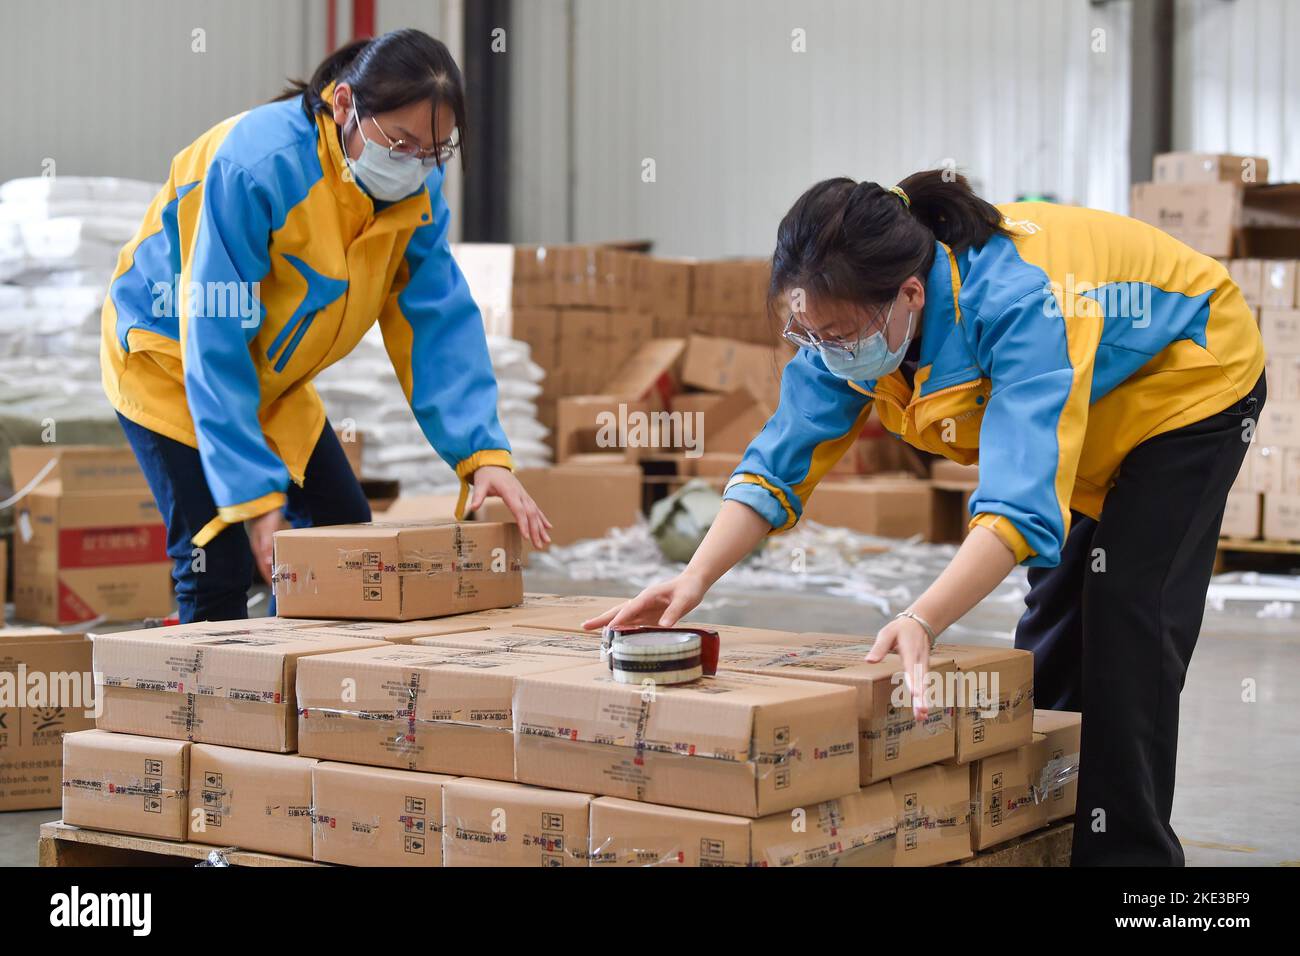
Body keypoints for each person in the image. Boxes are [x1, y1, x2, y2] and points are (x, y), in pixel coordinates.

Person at [586, 171, 1266, 866]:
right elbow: (776, 463)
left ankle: (1134, 870)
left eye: (839, 334)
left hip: (1188, 380)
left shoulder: (1019, 304)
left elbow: (1016, 508)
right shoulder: (846, 324)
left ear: (910, 296)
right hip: (1094, 411)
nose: (827, 350)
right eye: (811, 334)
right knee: (1053, 624)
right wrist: (693, 579)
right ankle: (1056, 832)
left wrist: (922, 617)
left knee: (1127, 616)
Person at [101, 29, 549, 623]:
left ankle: (307, 694)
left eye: (435, 151)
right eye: (401, 141)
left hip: (267, 378)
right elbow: (215, 332)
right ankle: (218, 708)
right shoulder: (259, 167)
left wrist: (482, 453)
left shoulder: (415, 190)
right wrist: (255, 496)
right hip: (172, 360)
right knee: (220, 562)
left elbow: (436, 320)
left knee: (342, 539)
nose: (415, 164)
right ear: (344, 107)